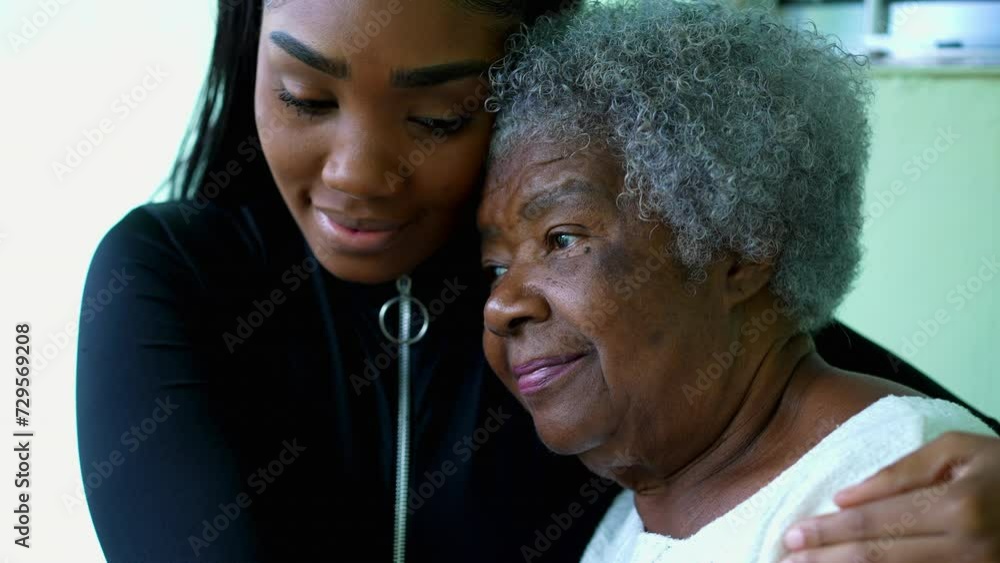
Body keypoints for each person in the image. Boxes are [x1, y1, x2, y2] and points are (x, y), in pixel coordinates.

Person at [74, 0, 1000, 562]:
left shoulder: (606, 313)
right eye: (306, 97)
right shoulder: (177, 278)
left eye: (438, 116)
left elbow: (786, 355)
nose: (356, 175)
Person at [476, 2, 999, 562]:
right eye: (497, 268)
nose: (501, 305)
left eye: (562, 239)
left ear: (741, 251)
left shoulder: (903, 482)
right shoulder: (635, 517)